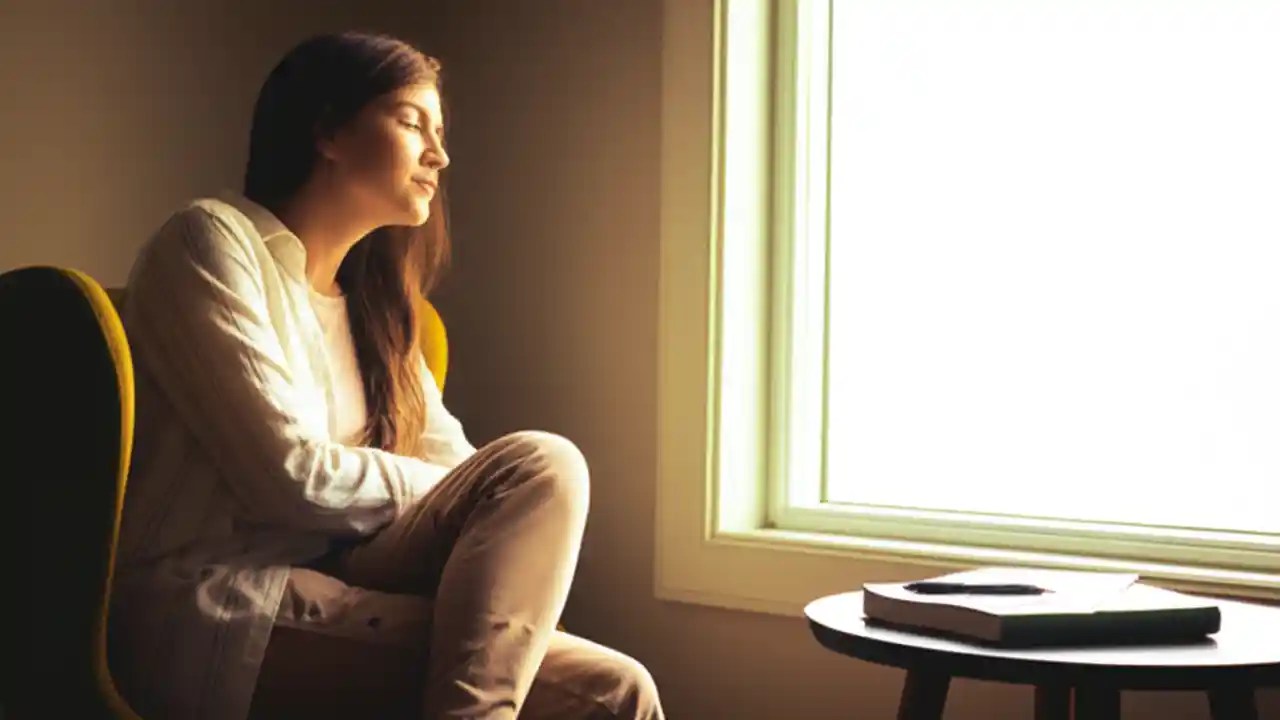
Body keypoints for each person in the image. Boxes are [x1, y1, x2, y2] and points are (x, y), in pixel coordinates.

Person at [107, 30, 664, 720]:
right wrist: (464, 493)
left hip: (345, 575)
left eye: (440, 131)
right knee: (536, 483)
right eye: (412, 122)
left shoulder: (379, 313)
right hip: (218, 599)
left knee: (620, 679)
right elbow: (289, 478)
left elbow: (472, 477)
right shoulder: (207, 242)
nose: (441, 154)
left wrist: (479, 494)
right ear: (330, 131)